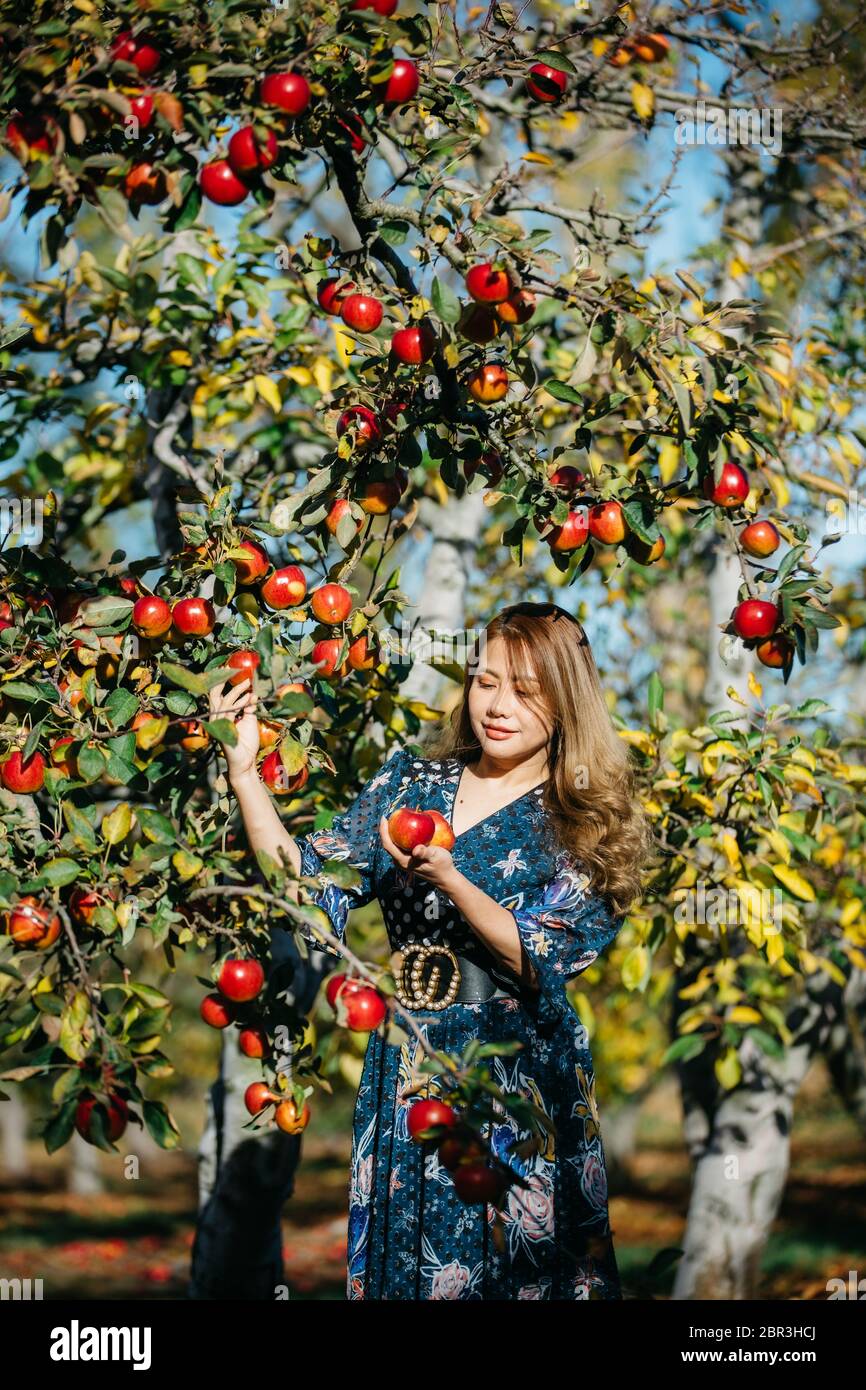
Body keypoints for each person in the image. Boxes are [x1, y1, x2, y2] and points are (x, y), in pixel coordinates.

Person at [209, 601, 651, 1300]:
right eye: (486, 681)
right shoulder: (412, 784)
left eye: (526, 691)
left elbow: (539, 956)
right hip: (410, 1057)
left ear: (566, 703)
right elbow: (305, 886)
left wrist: (450, 877)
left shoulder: (582, 815)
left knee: (521, 1266)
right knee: (407, 1261)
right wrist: (244, 775)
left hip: (513, 1066)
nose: (498, 706)